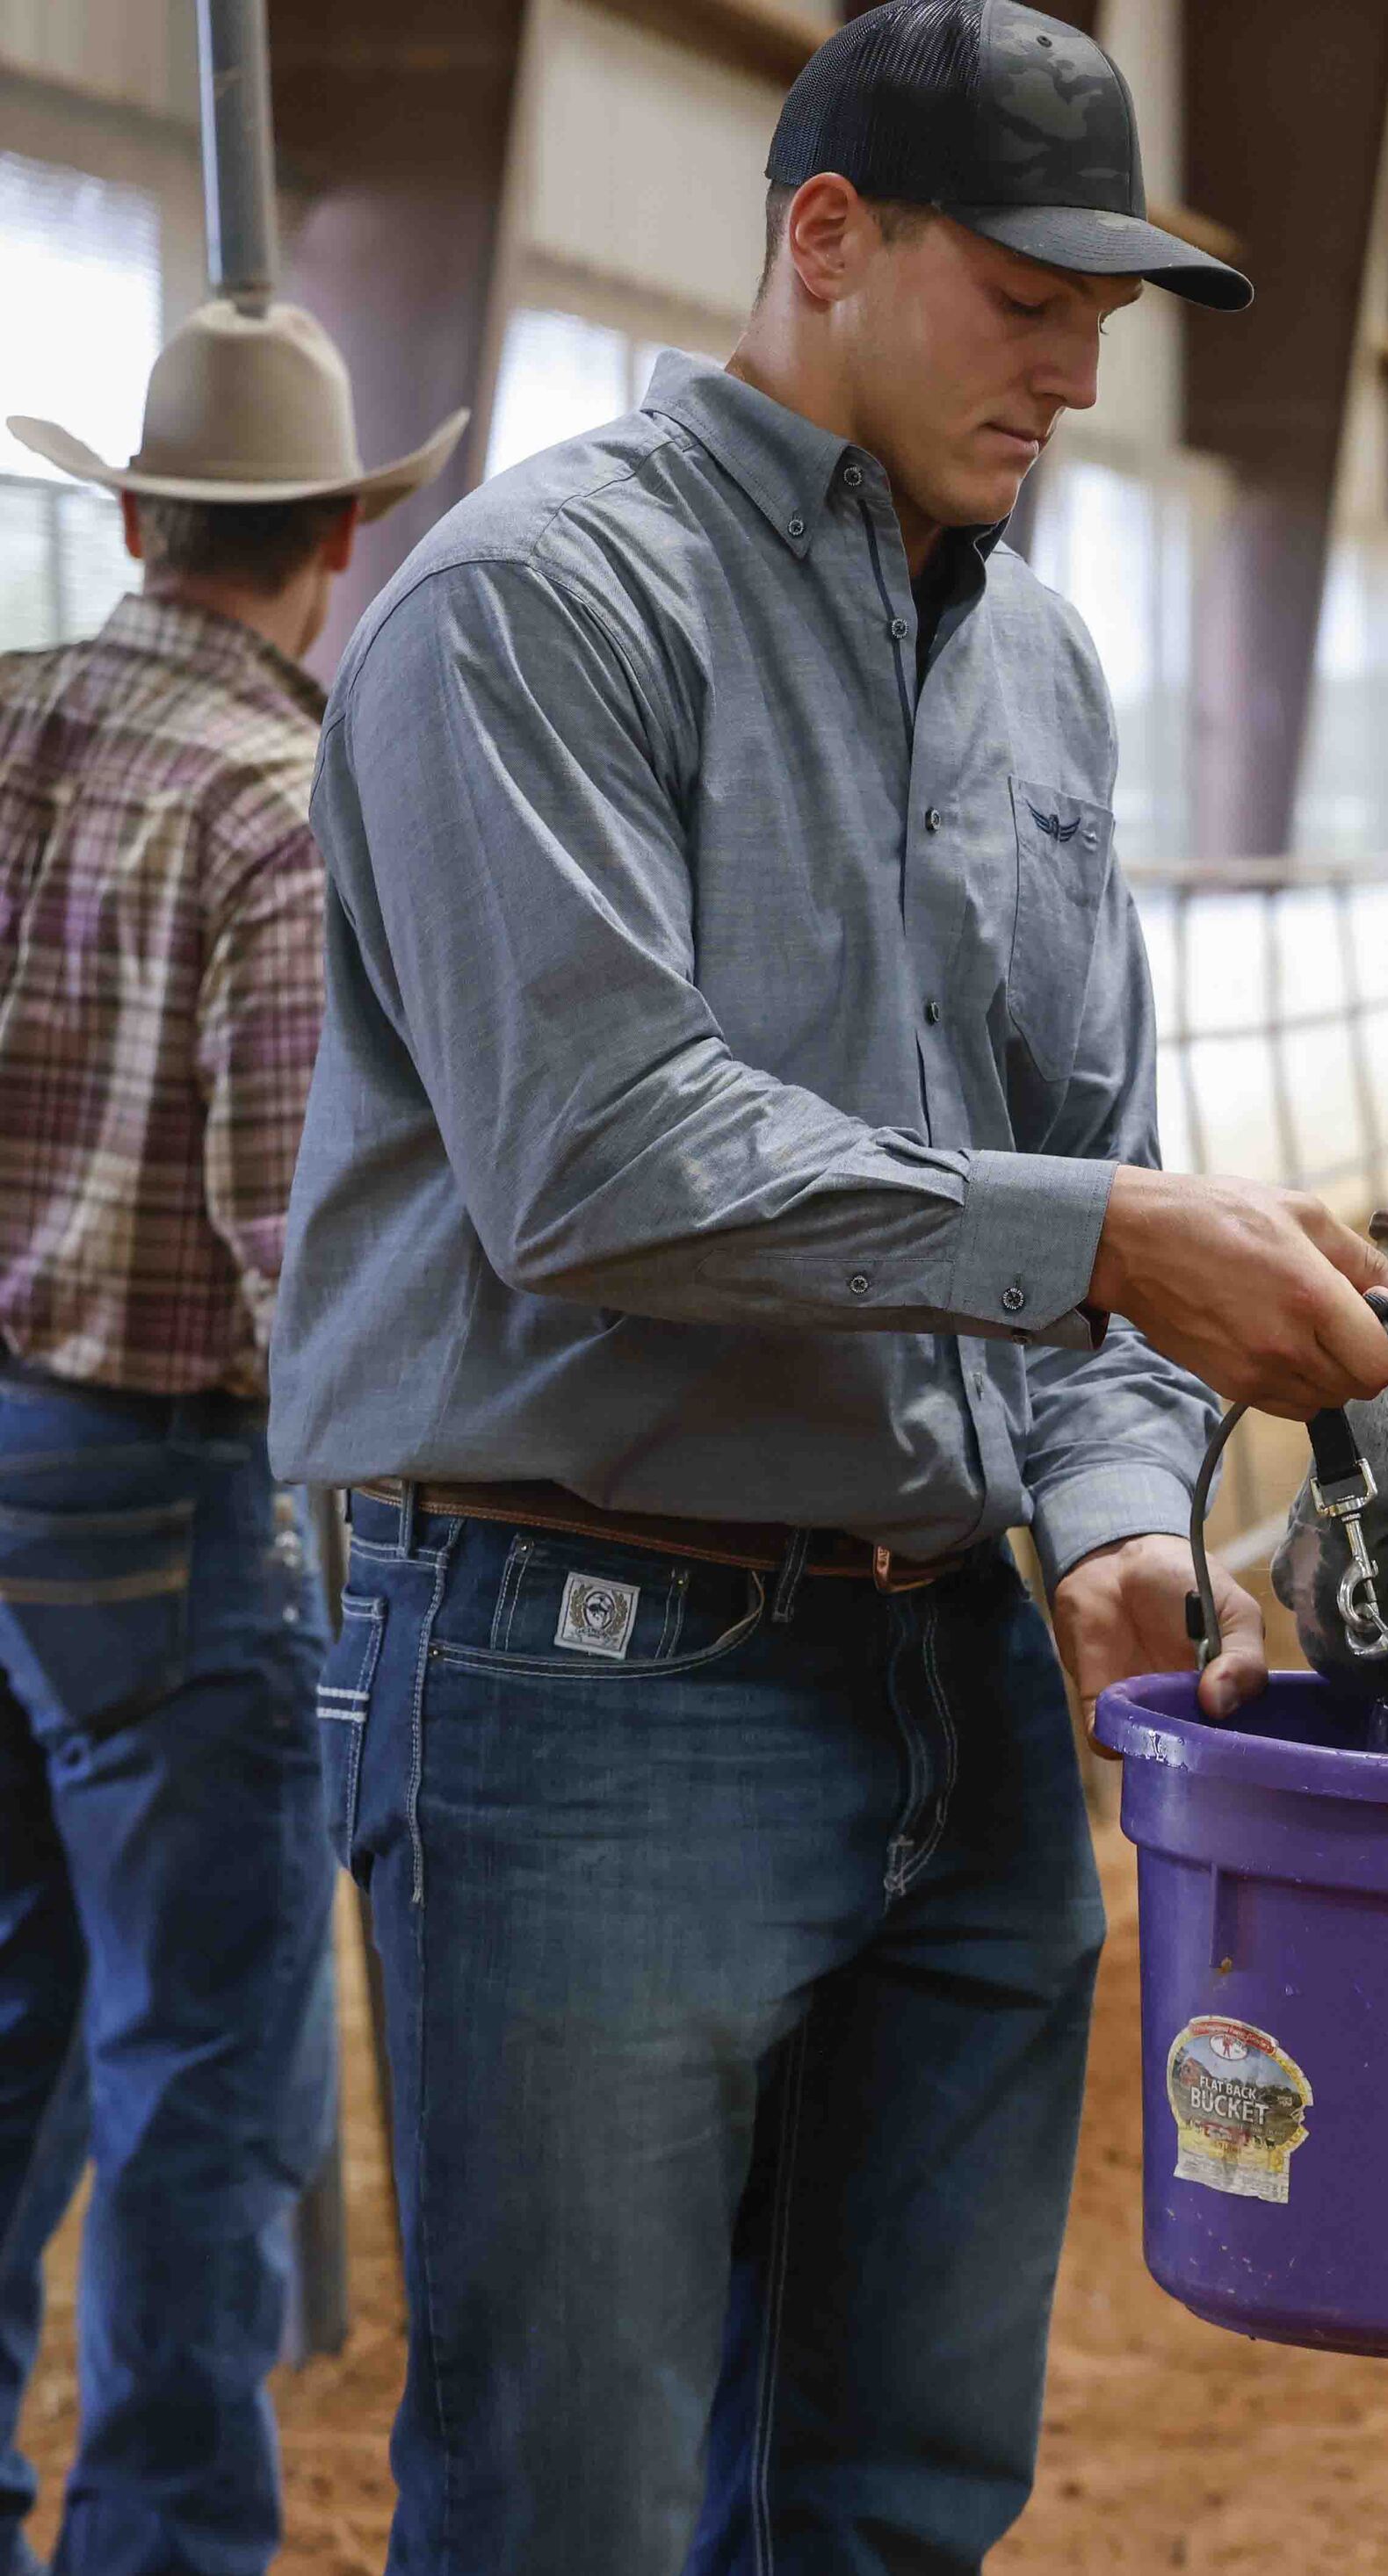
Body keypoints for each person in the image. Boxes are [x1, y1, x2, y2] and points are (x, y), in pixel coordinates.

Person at [271, 3, 1388, 2565]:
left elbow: (1086, 1139)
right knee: (564, 2503)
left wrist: (1115, 1514)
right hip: (585, 1667)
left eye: (1100, 321)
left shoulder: (1037, 664)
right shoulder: (538, 606)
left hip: (953, 1668)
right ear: (823, 237)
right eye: (1026, 300)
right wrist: (1108, 1243)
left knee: (898, 2486)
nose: (1074, 372)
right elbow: (599, 1161)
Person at [0, 293, 463, 2575]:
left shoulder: (9, 721)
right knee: (198, 2073)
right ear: (341, 539)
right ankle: (162, 2543)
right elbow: (300, 1249)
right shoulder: (278, 809)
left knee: (7, 2018)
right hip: (158, 1490)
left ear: (132, 521)